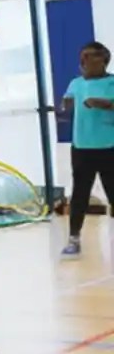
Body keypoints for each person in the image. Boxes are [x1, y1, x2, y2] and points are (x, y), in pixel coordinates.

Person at [59, 41, 114, 258]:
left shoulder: (111, 83)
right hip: (81, 148)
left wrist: (104, 103)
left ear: (103, 60)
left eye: (89, 56)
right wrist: (64, 107)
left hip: (108, 147)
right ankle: (74, 239)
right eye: (82, 56)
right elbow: (67, 104)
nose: (84, 61)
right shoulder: (75, 83)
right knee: (79, 195)